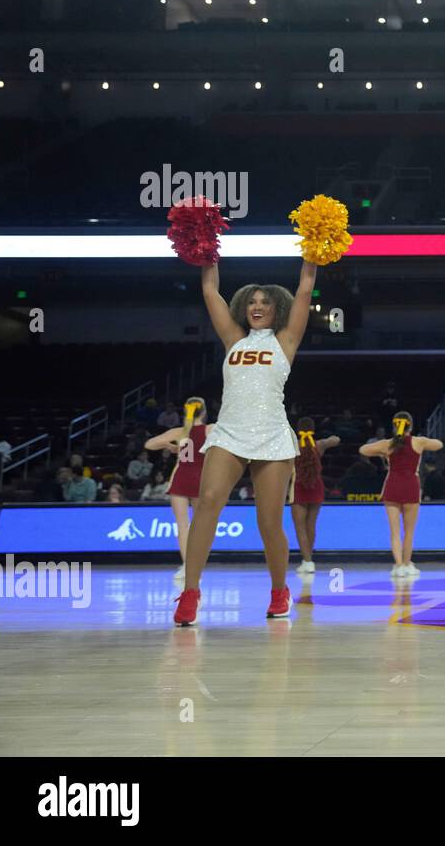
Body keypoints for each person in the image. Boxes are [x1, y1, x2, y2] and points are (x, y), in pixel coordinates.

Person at [172, 259, 318, 627]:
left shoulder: (286, 340)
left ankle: (279, 590)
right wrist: (207, 255)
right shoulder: (233, 340)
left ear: (277, 309)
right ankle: (190, 593)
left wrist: (312, 253)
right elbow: (209, 291)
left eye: (265, 302)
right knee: (206, 504)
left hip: (271, 434)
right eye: (252, 301)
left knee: (269, 521)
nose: (257, 306)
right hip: (230, 432)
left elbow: (304, 289)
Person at [359, 411, 443, 577]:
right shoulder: (418, 442)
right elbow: (439, 444)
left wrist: (381, 452)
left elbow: (363, 449)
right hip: (411, 486)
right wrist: (424, 441)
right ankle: (407, 564)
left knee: (395, 531)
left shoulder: (388, 444)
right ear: (410, 426)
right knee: (409, 531)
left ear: (394, 426)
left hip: (393, 486)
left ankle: (398, 566)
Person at [145, 396, 213, 581]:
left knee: (183, 526)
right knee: (201, 526)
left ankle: (187, 566)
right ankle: (198, 565)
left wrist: (169, 445)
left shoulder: (180, 432)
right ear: (204, 411)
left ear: (185, 412)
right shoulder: (212, 429)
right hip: (201, 479)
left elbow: (149, 444)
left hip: (181, 478)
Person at [289, 417, 340, 575]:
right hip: (316, 486)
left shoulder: (293, 445)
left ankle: (307, 561)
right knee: (311, 525)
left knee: (300, 527)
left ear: (298, 430)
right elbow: (336, 440)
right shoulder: (319, 445)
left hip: (299, 487)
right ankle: (308, 560)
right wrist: (329, 438)